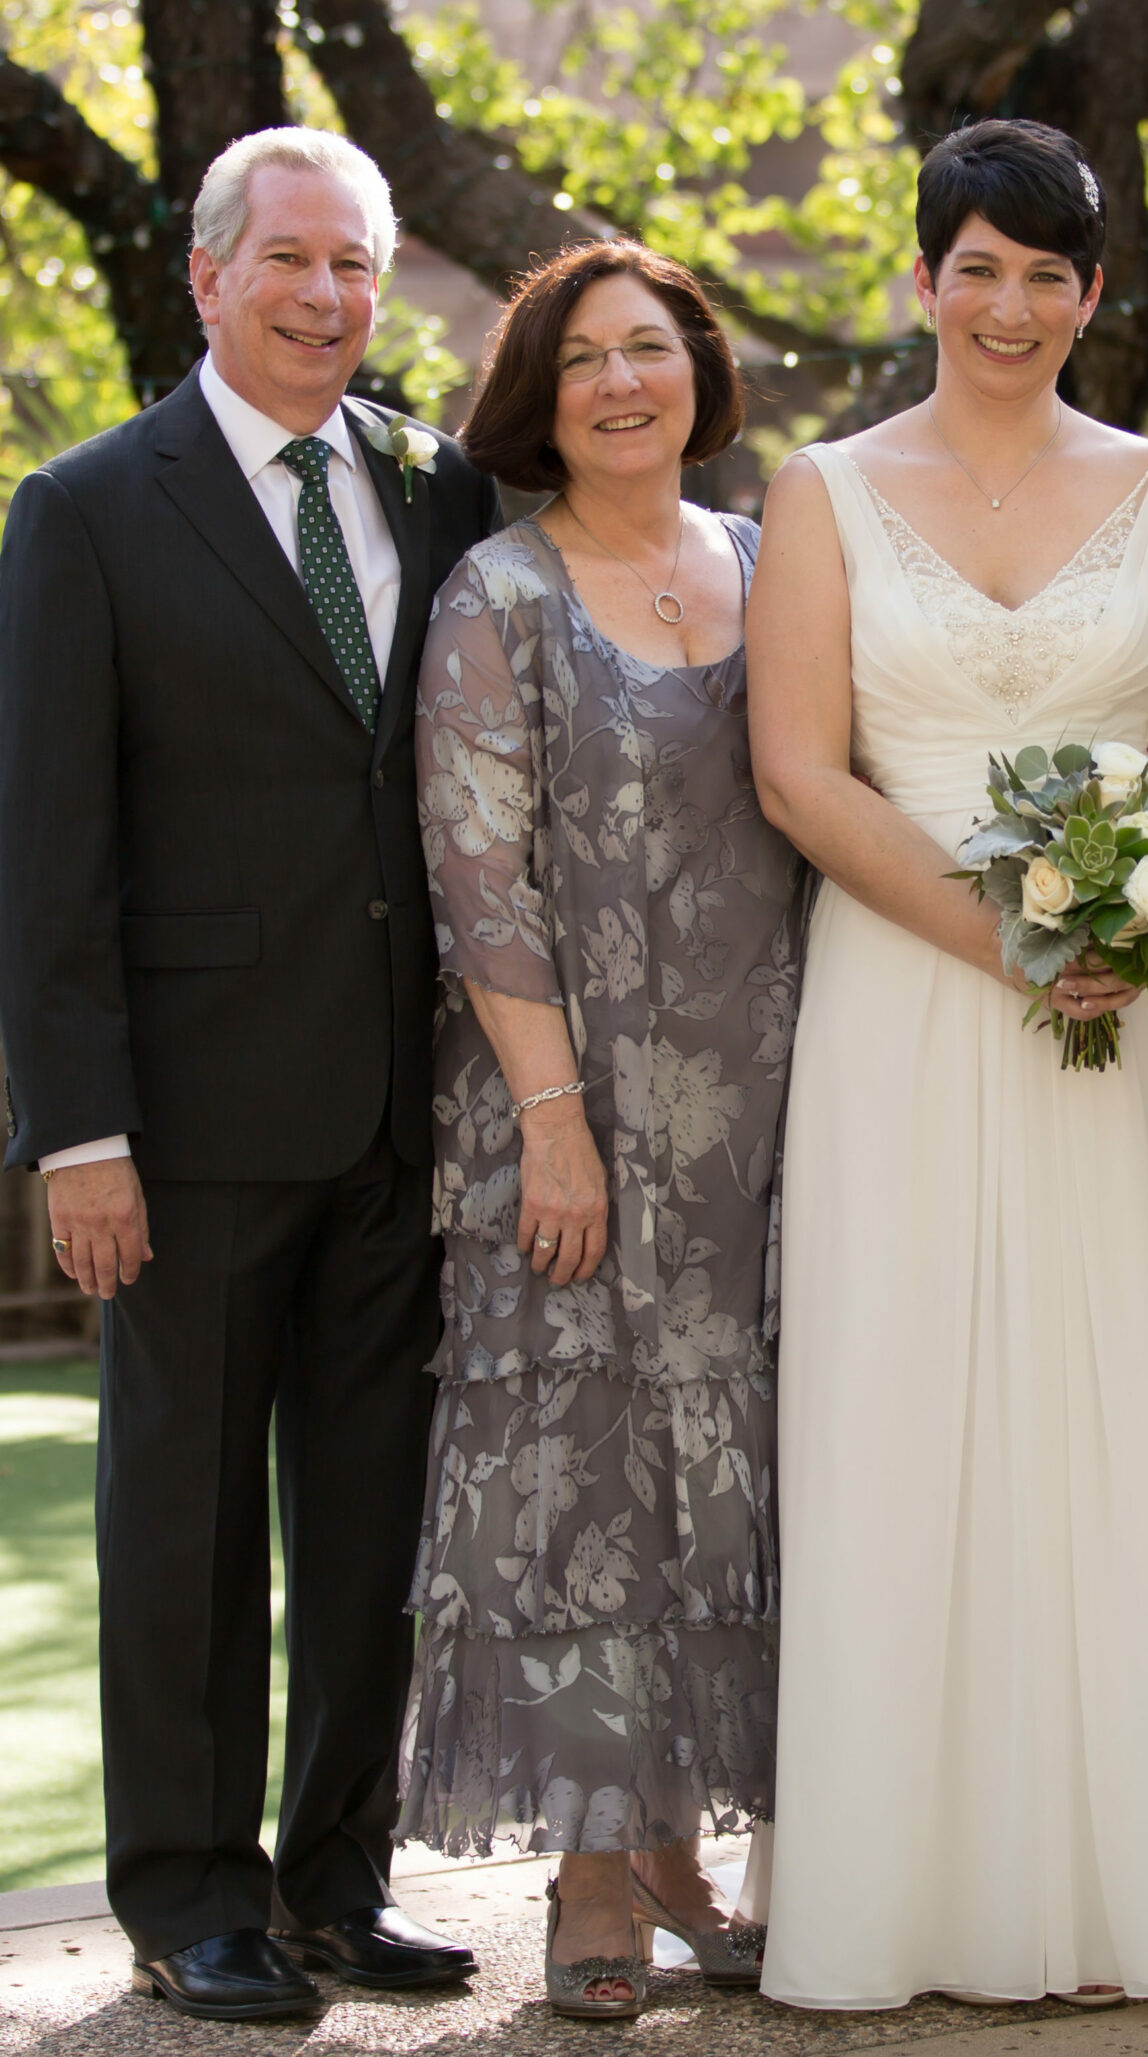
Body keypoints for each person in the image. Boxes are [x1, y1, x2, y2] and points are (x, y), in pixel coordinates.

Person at [746, 119, 1148, 2010]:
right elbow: (799, 772)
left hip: (1128, 1010)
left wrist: (1127, 915)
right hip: (913, 1004)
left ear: (1097, 297)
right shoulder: (822, 489)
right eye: (977, 268)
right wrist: (1007, 933)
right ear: (924, 280)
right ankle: (923, 1895)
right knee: (914, 1401)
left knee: (1133, 1400)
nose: (1010, 307)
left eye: (1049, 275)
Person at [0, 128, 495, 2019]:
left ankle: (334, 1883)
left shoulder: (433, 490)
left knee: (375, 1521)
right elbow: (48, 856)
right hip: (187, 1125)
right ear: (208, 277)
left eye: (358, 267)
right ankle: (189, 1892)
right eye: (290, 260)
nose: (326, 297)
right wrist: (84, 1130)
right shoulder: (89, 506)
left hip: (399, 1110)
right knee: (186, 1523)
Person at [393, 241, 796, 2019]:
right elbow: (481, 882)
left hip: (776, 1114)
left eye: (653, 349)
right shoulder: (496, 590)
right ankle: (588, 1877)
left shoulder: (783, 566)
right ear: (539, 404)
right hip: (570, 1105)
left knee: (742, 1476)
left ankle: (688, 1847)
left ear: (703, 375)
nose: (625, 382)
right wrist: (554, 1124)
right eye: (585, 362)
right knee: (582, 1489)